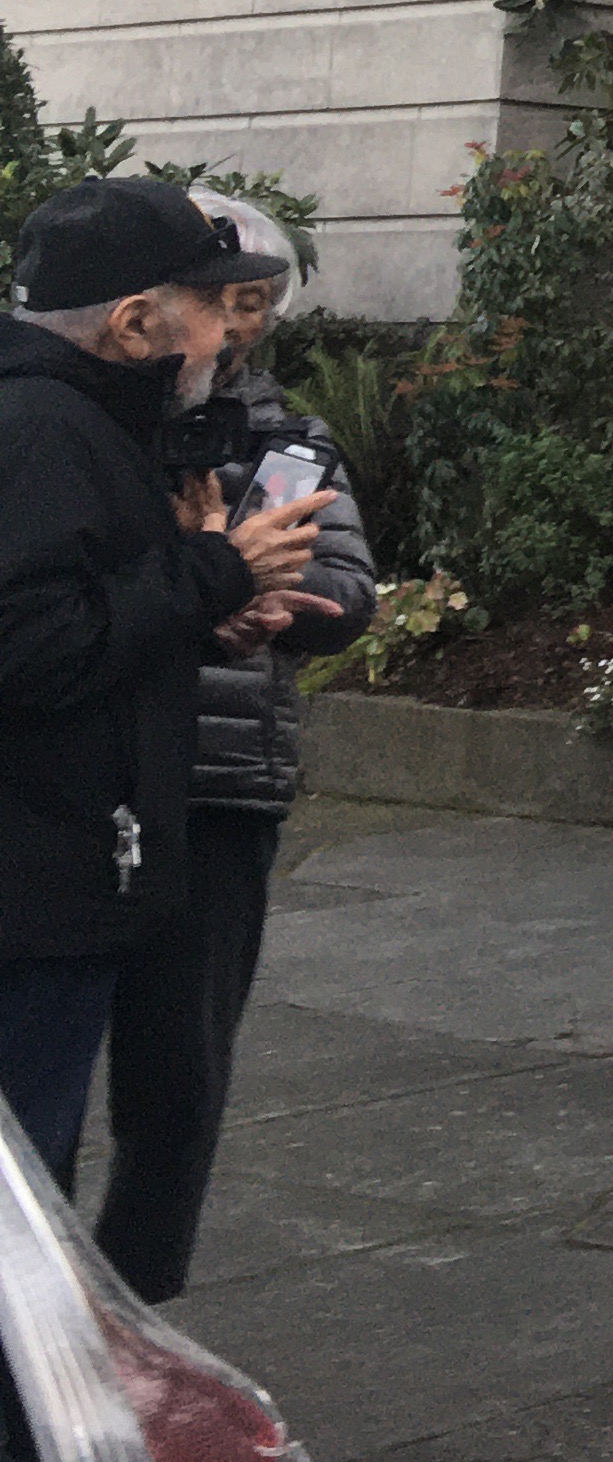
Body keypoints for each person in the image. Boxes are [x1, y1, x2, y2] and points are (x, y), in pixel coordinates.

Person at [0, 182, 332, 1178]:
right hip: (37, 888)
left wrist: (202, 617)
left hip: (55, 874)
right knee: (25, 1206)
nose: (227, 329)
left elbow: (81, 621)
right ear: (135, 322)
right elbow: (31, 648)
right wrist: (219, 569)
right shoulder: (47, 432)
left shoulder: (72, 421)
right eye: (207, 304)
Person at [88, 195, 379, 1302]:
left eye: (253, 302)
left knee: (180, 1078)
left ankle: (139, 1310)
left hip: (220, 782)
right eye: (219, 299)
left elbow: (348, 591)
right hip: (89, 780)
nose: (234, 323)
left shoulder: (289, 439)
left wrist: (279, 603)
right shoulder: (76, 423)